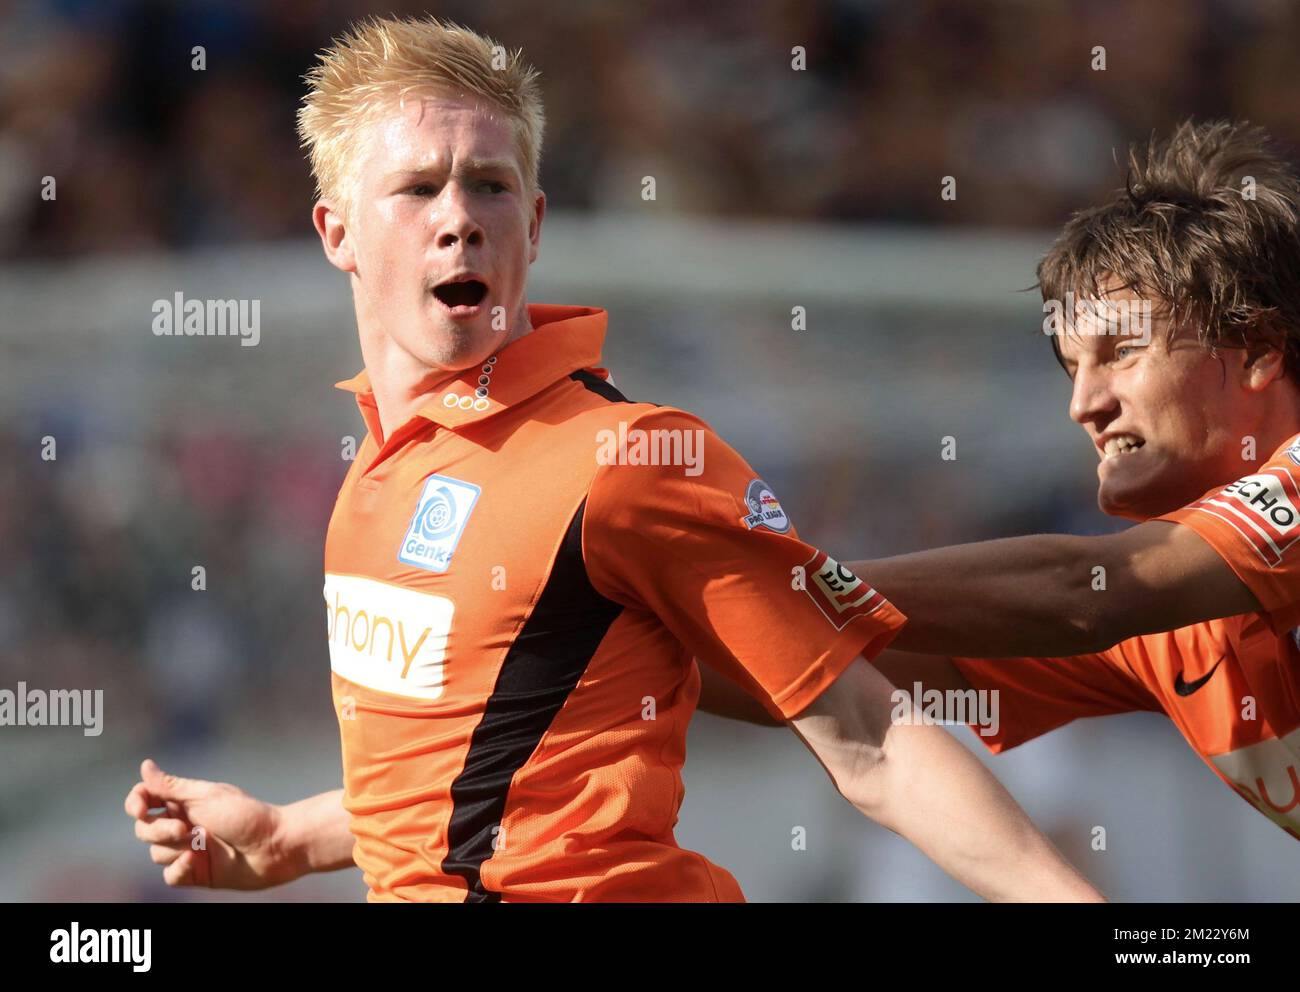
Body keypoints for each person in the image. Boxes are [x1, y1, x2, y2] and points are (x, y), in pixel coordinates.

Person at [123, 15, 1097, 902]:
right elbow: (464, 765)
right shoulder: (374, 468)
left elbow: (871, 736)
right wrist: (290, 834)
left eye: (490, 185)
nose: (458, 215)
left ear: (535, 225)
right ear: (338, 232)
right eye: (418, 186)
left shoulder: (627, 456)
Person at [838, 120, 1300, 841]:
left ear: (1257, 351)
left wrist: (783, 579)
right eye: (1072, 367)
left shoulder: (1127, 592)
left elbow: (1083, 590)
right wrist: (655, 605)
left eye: (1123, 350)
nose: (1083, 404)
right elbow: (841, 669)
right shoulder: (1171, 625)